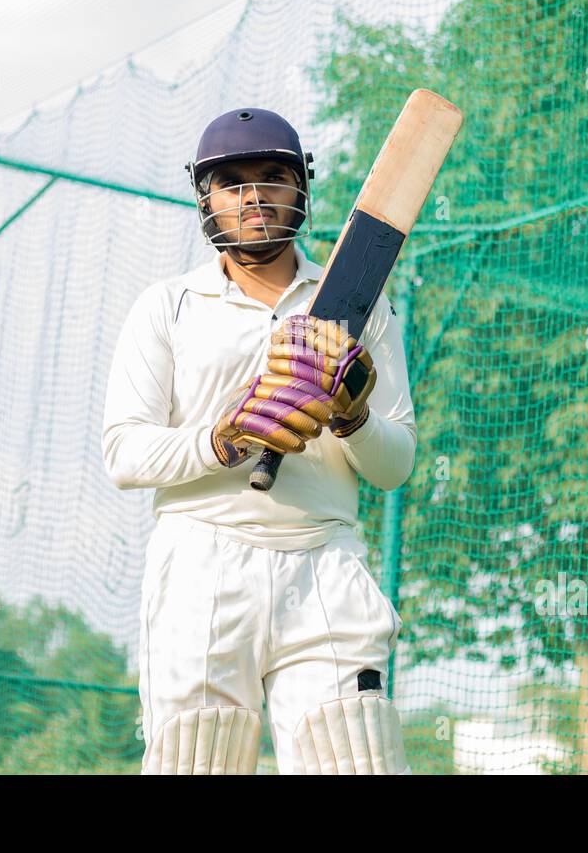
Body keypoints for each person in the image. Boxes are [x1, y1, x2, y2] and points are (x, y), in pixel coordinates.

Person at [101, 106, 416, 774]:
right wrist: (224, 437)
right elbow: (124, 452)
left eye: (272, 176)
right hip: (201, 566)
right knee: (198, 763)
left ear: (301, 186)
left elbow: (395, 467)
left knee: (357, 760)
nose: (253, 195)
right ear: (204, 196)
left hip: (326, 563)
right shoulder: (170, 305)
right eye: (232, 181)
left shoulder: (363, 302)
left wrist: (352, 416)